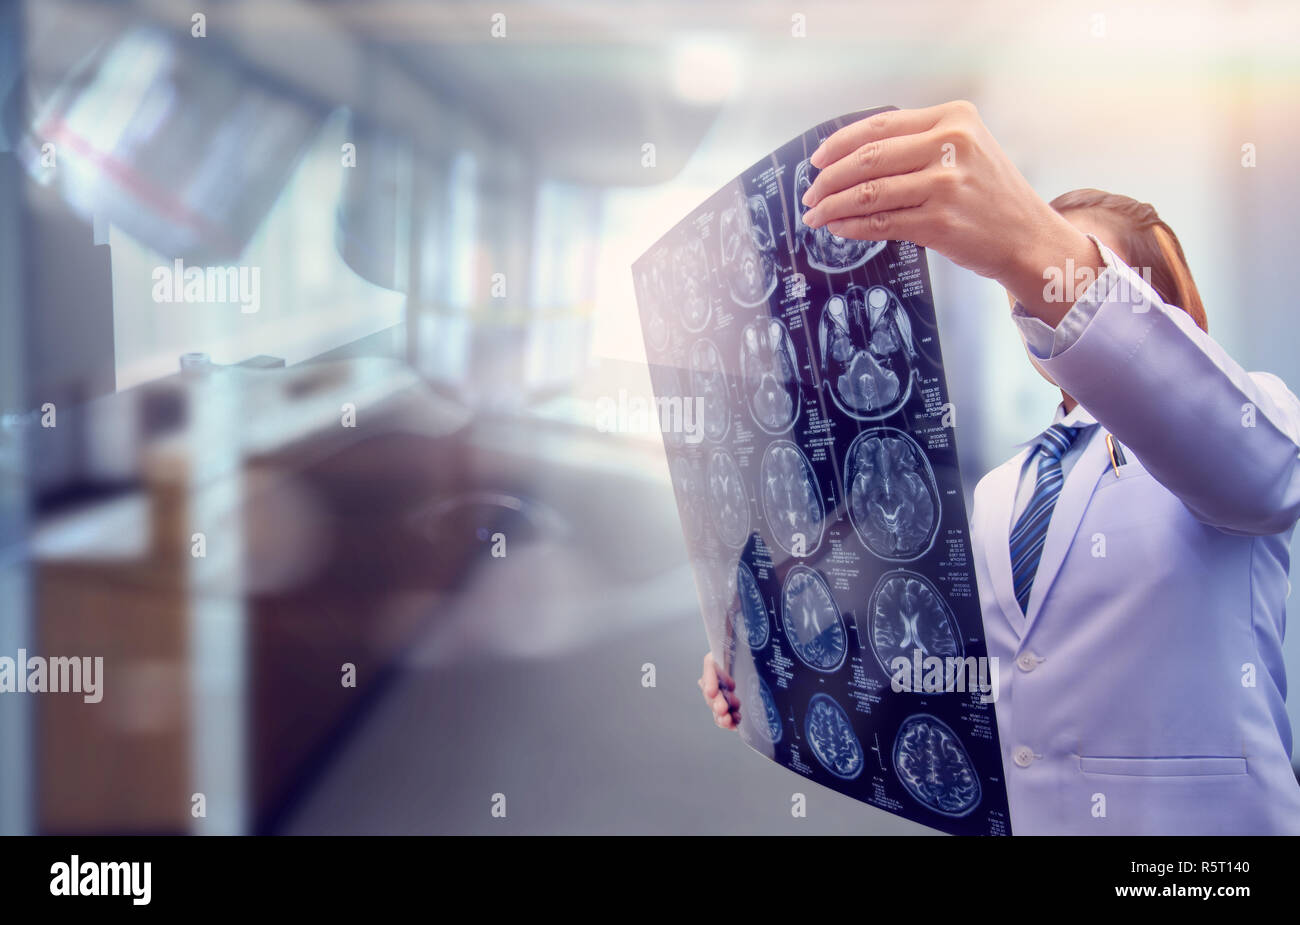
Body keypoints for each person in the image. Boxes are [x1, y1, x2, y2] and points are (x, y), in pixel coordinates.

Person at [697, 101, 1300, 835]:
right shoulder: (999, 491)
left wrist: (1032, 244)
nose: (1032, 301)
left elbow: (1260, 472)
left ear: (1155, 303)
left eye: (1068, 270)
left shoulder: (1252, 418)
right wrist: (760, 664)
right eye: (1020, 285)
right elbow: (935, 671)